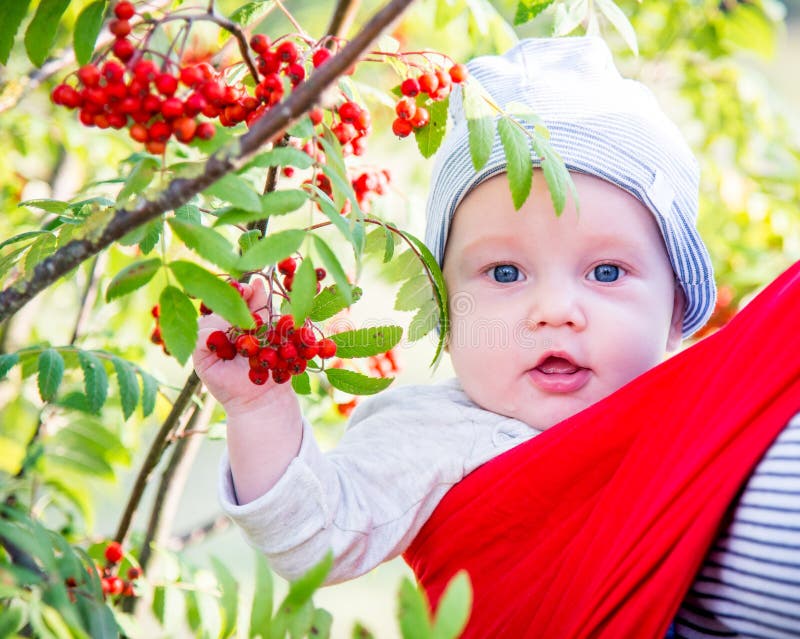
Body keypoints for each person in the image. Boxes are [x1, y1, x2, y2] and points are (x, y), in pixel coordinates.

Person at [193, 37, 800, 637]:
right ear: (445, 309)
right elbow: (311, 540)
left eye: (607, 272)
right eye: (504, 273)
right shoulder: (435, 432)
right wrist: (257, 406)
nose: (554, 311)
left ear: (678, 309)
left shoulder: (706, 412)